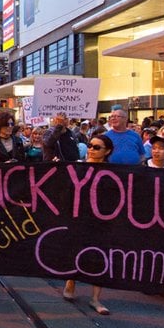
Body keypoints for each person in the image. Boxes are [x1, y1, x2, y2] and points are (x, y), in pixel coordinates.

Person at [63, 134, 113, 315]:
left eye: (97, 147)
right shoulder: (77, 165)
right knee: (76, 249)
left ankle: (96, 298)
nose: (91, 149)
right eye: (90, 145)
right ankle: (70, 282)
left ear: (107, 151)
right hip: (78, 215)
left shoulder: (114, 172)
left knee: (100, 255)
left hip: (102, 219)